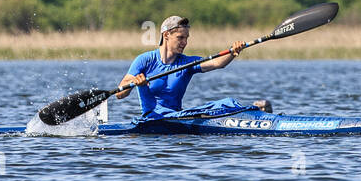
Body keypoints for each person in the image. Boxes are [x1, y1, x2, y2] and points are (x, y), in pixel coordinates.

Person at [116, 15, 272, 119]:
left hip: (178, 117)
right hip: (152, 118)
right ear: (166, 35)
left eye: (186, 38)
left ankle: (255, 112)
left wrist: (233, 51)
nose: (185, 42)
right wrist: (134, 83)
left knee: (227, 102)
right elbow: (120, 93)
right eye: (180, 38)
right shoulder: (144, 60)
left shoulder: (187, 63)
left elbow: (217, 62)